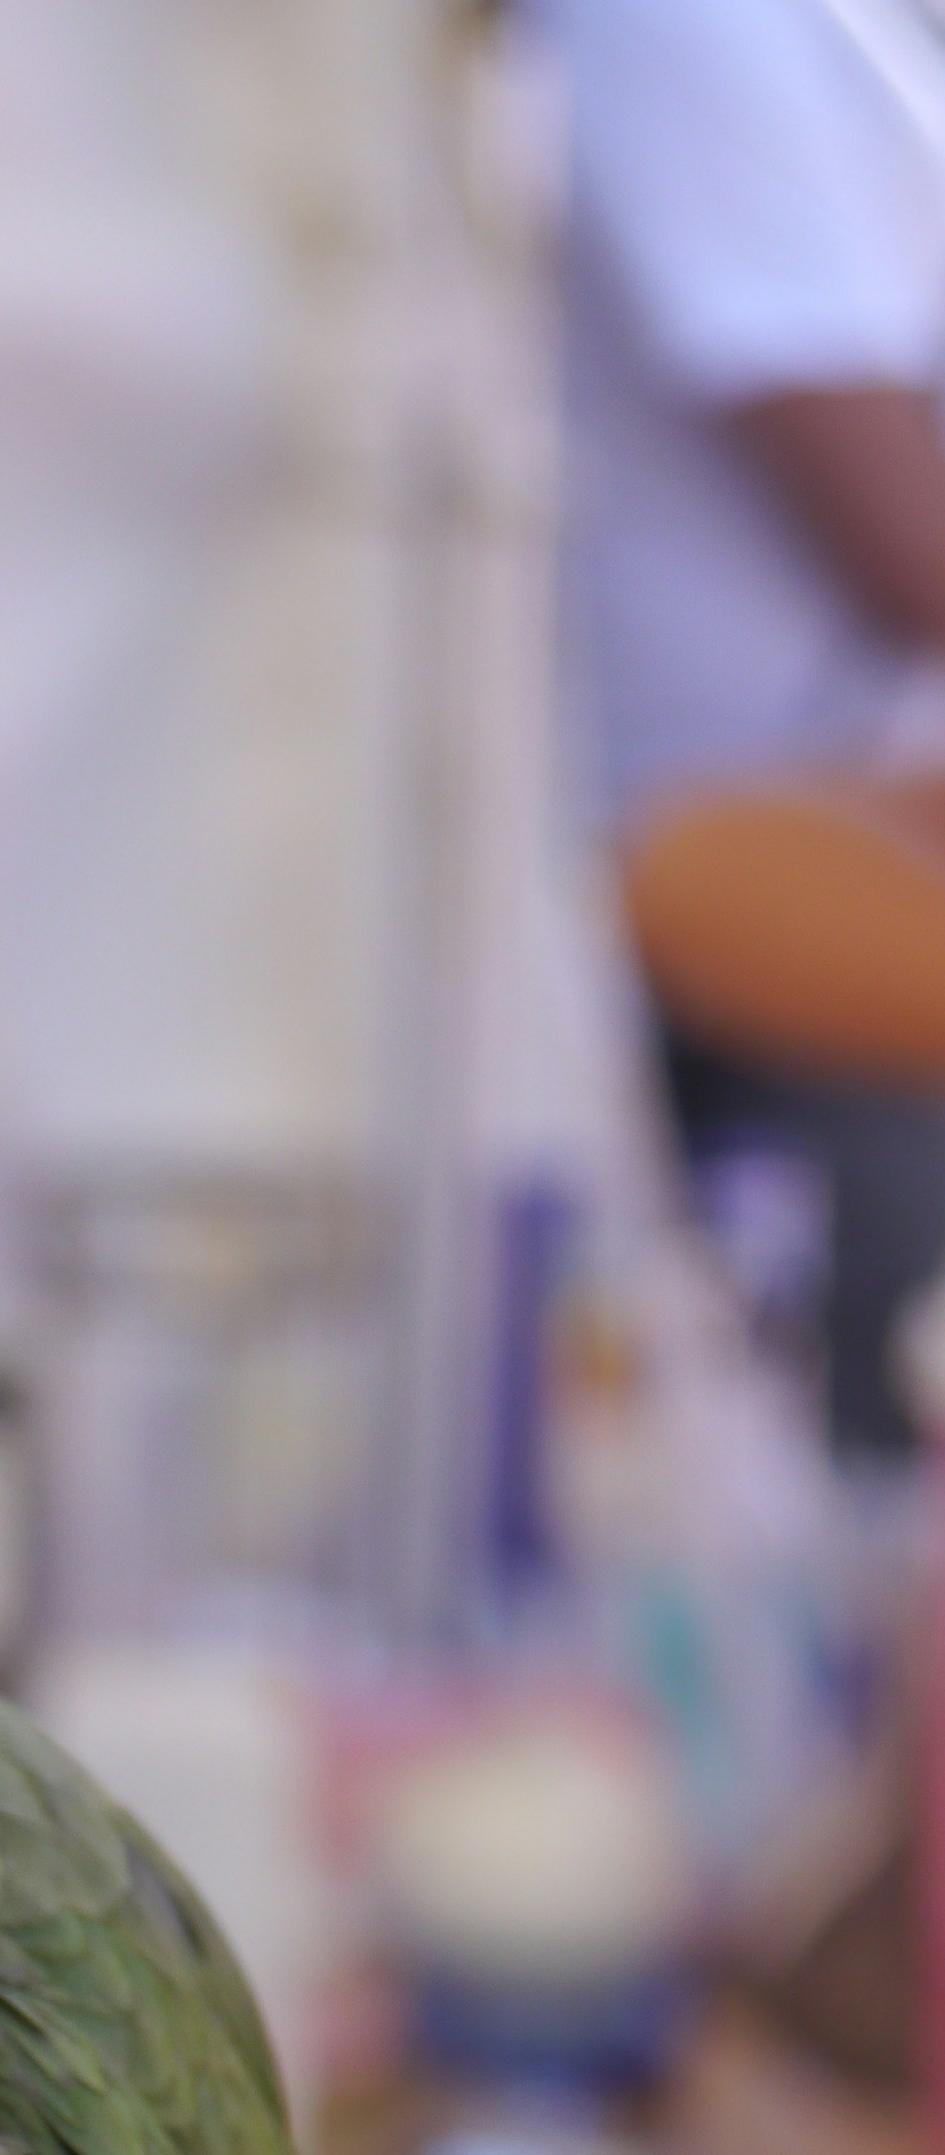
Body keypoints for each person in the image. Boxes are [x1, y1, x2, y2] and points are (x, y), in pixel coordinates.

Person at [535, 0, 945, 1450]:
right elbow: (898, 537)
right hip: (758, 942)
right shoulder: (697, 24)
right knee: (861, 1456)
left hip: (866, 900)